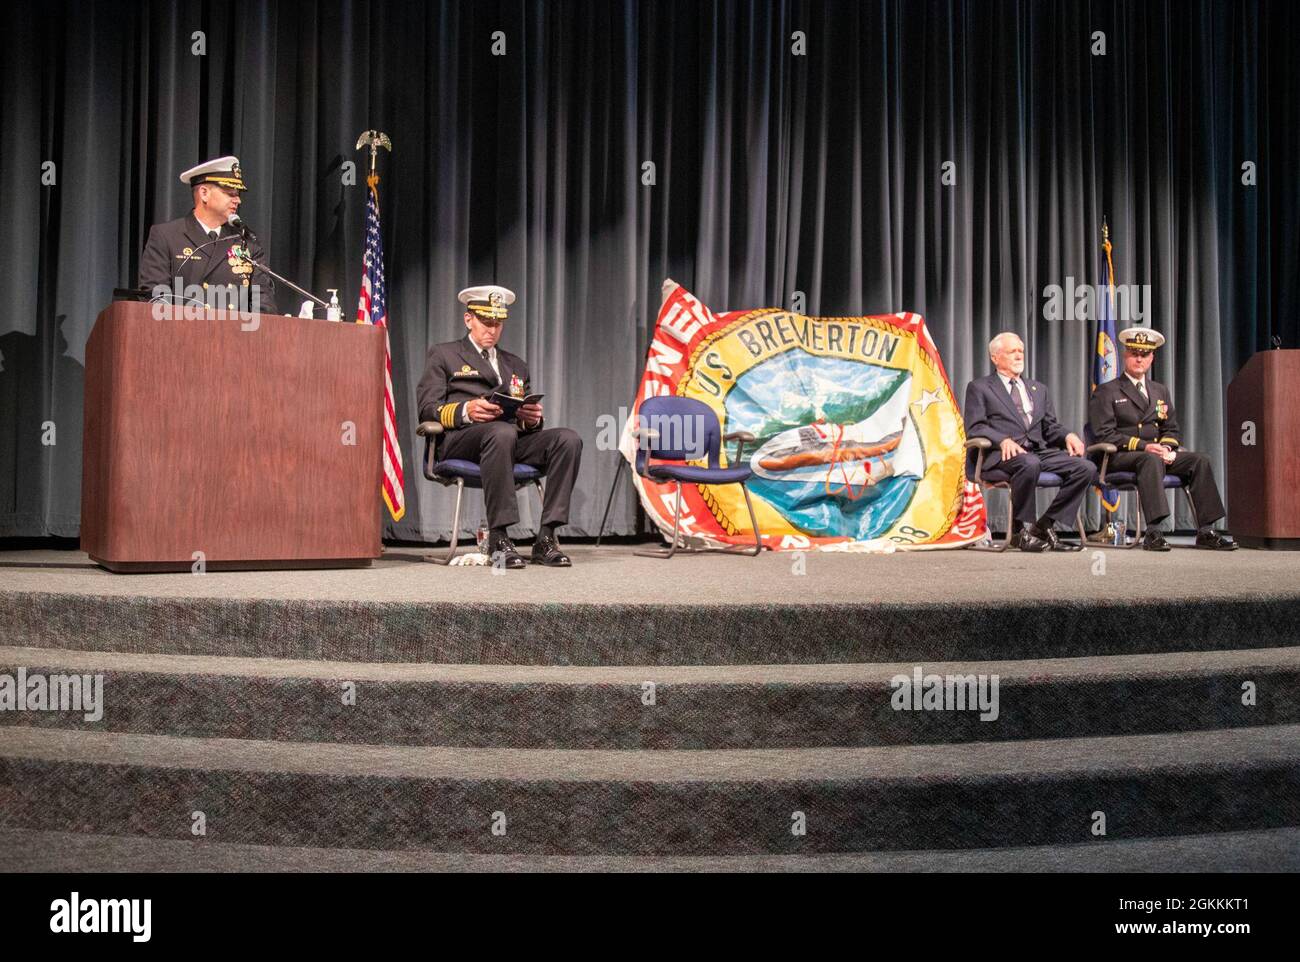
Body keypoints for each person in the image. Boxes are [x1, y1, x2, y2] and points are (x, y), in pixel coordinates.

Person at [416, 285, 582, 568]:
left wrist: (532, 419)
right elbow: (427, 409)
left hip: (507, 440)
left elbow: (526, 425)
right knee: (501, 431)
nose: (492, 329)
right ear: (469, 319)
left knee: (568, 439)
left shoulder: (515, 364)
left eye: (498, 323)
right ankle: (499, 537)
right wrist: (466, 409)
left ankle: (546, 537)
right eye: (485, 321)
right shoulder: (444, 355)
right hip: (460, 441)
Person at [1088, 327, 1236, 551]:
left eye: (1144, 354)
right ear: (1125, 354)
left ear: (1152, 358)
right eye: (1134, 353)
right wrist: (1147, 447)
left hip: (1156, 456)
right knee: (1150, 460)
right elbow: (1104, 433)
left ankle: (1206, 530)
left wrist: (1167, 448)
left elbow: (1171, 428)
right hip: (1118, 457)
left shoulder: (1160, 391)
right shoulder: (1107, 391)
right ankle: (1154, 531)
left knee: (1199, 460)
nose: (1139, 358)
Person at [964, 332, 1097, 552]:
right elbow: (975, 427)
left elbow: (1050, 427)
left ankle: (1043, 526)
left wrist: (1067, 435)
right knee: (1029, 463)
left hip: (1038, 452)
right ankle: (1019, 531)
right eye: (1012, 351)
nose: (1019, 356)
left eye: (1021, 351)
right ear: (995, 358)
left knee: (1085, 467)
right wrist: (1002, 439)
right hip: (1000, 456)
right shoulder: (980, 387)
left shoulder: (1038, 389)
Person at [138, 155, 276, 315]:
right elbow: (156, 299)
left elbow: (264, 306)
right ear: (204, 193)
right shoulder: (167, 236)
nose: (238, 200)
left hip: (236, 336)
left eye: (238, 194)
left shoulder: (247, 242)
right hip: (183, 334)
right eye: (230, 193)